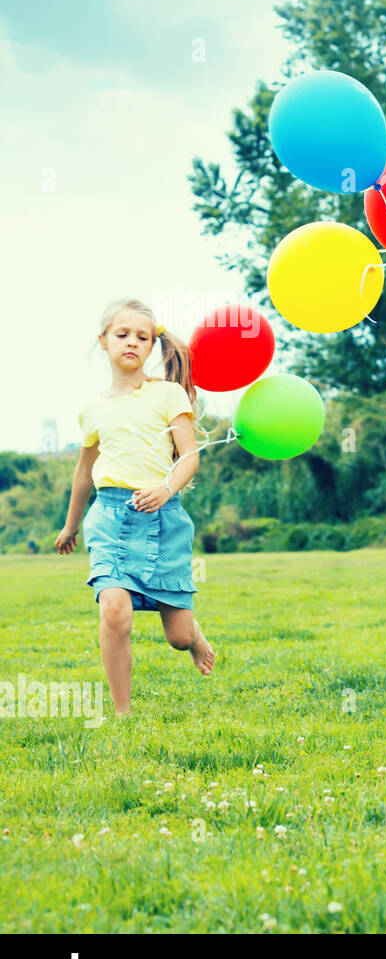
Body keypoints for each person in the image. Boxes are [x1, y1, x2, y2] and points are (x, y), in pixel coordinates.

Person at [55, 299, 215, 716]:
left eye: (142, 337)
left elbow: (189, 456)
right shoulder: (91, 410)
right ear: (103, 341)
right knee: (114, 608)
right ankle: (123, 712)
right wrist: (71, 527)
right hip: (109, 516)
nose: (132, 342)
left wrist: (166, 488)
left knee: (176, 637)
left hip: (164, 518)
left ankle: (194, 637)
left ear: (152, 344)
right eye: (122, 334)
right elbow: (83, 474)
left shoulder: (167, 393)